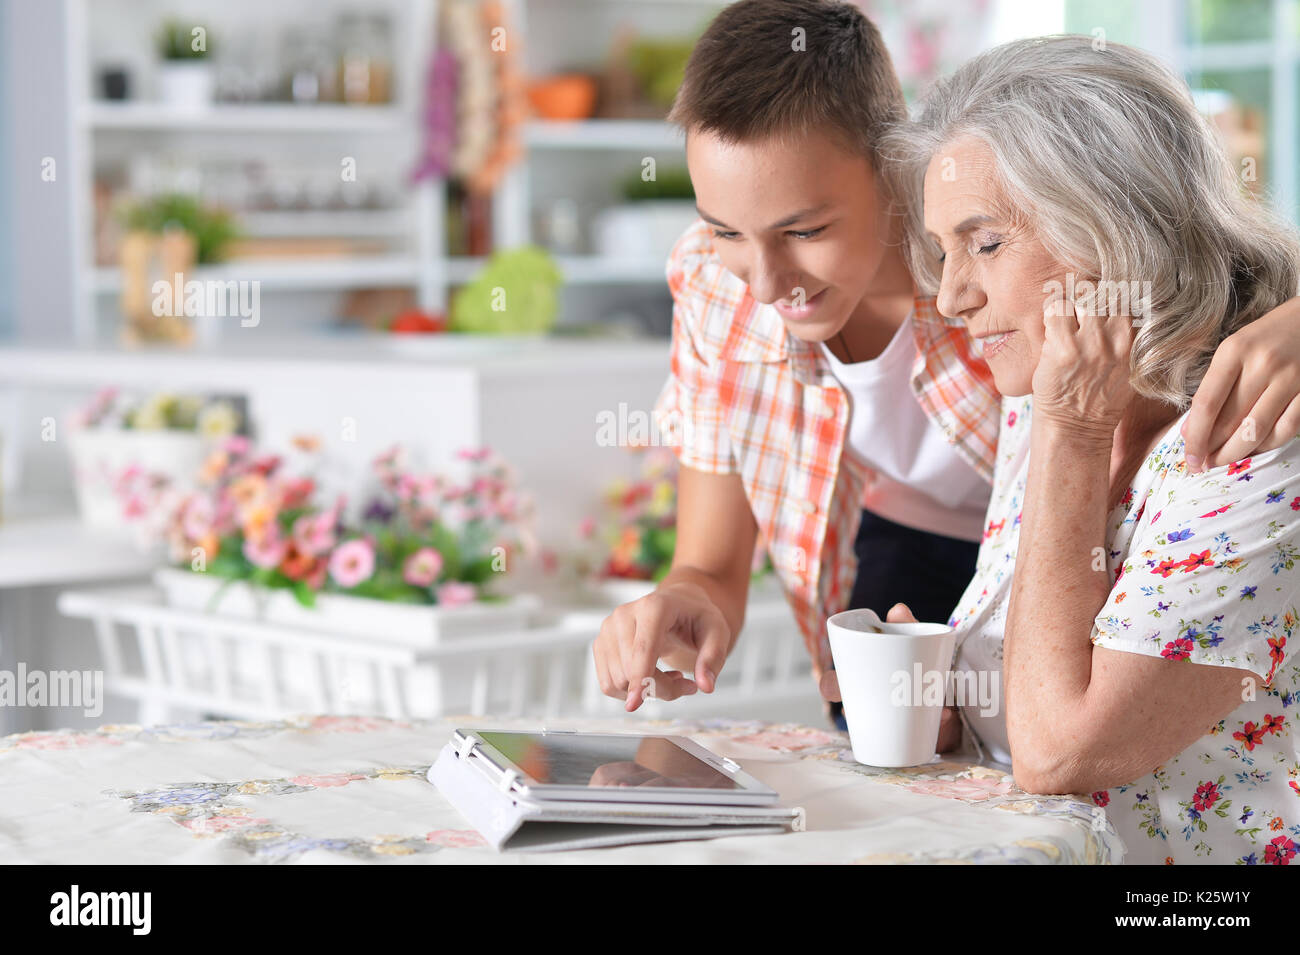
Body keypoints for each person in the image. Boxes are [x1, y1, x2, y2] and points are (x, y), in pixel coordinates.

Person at [593, 0, 1300, 734]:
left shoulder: (996, 243)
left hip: (1084, 511)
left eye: (805, 230)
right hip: (924, 536)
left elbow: (1188, 240)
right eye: (724, 230)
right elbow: (709, 561)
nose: (768, 284)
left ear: (893, 165)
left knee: (1061, 738)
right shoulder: (717, 285)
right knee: (900, 746)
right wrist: (688, 603)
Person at [862, 35, 1299, 865]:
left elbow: (1063, 752)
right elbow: (1034, 689)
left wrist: (1072, 432)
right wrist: (955, 697)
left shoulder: (1260, 441)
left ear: (1115, 224)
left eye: (985, 243)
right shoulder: (1049, 392)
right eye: (943, 250)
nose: (952, 294)